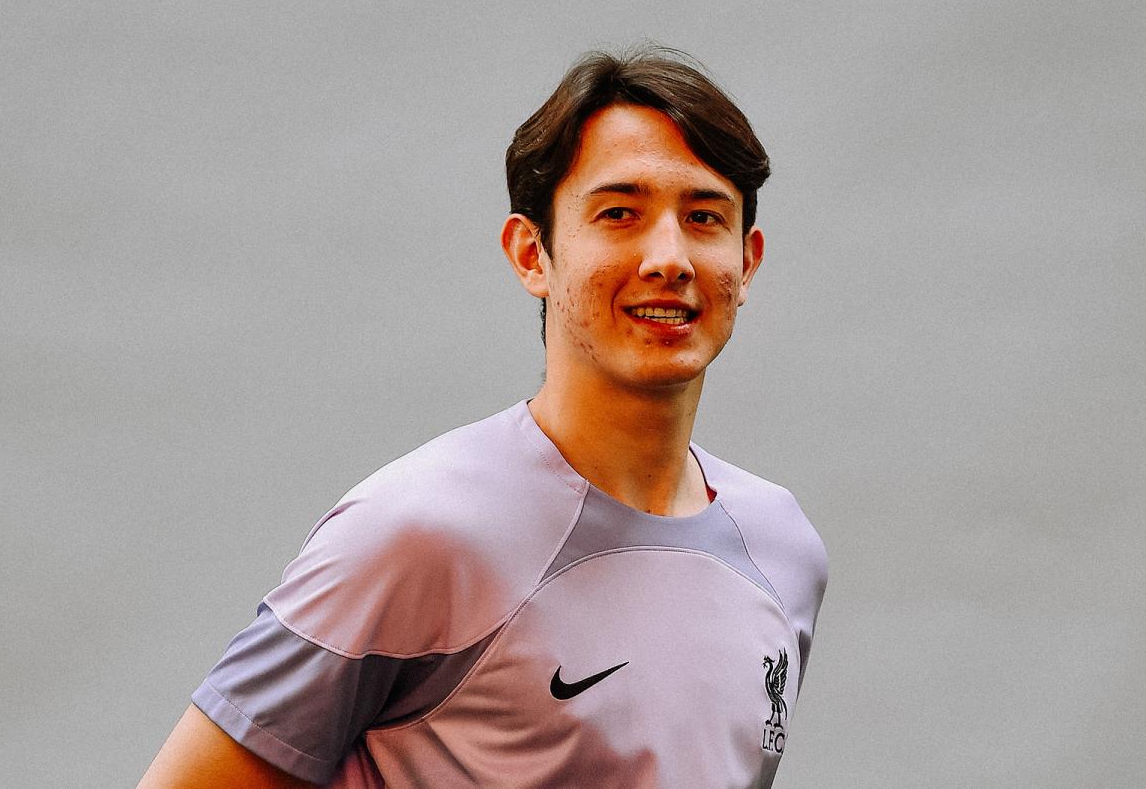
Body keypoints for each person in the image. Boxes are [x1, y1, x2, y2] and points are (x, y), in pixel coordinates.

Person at [140, 45, 828, 788]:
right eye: (619, 214)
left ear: (747, 261)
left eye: (703, 217)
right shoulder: (416, 534)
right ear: (532, 253)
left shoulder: (781, 549)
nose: (670, 258)